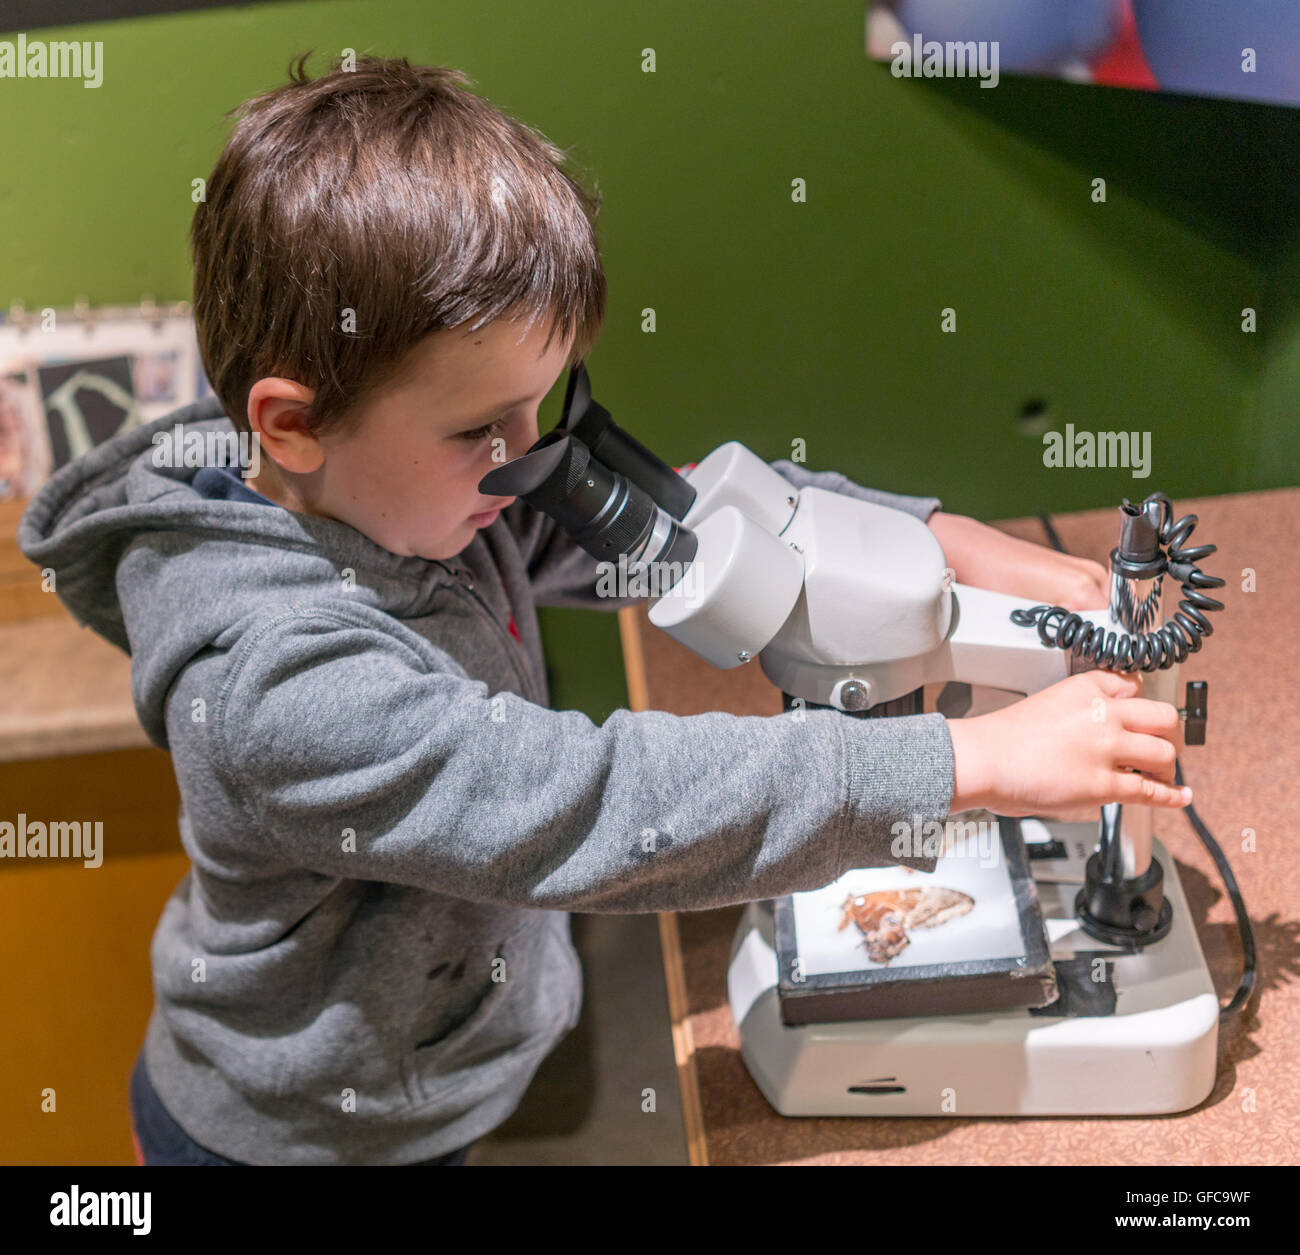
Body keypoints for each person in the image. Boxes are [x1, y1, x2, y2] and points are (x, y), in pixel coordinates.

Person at [18, 53, 1189, 1166]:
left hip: (433, 1080)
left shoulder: (416, 494)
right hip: (300, 1139)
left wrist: (949, 545)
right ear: (289, 423)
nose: (534, 461)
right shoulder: (279, 687)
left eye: (547, 403)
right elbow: (590, 803)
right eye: (483, 427)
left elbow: (686, 527)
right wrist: (964, 760)